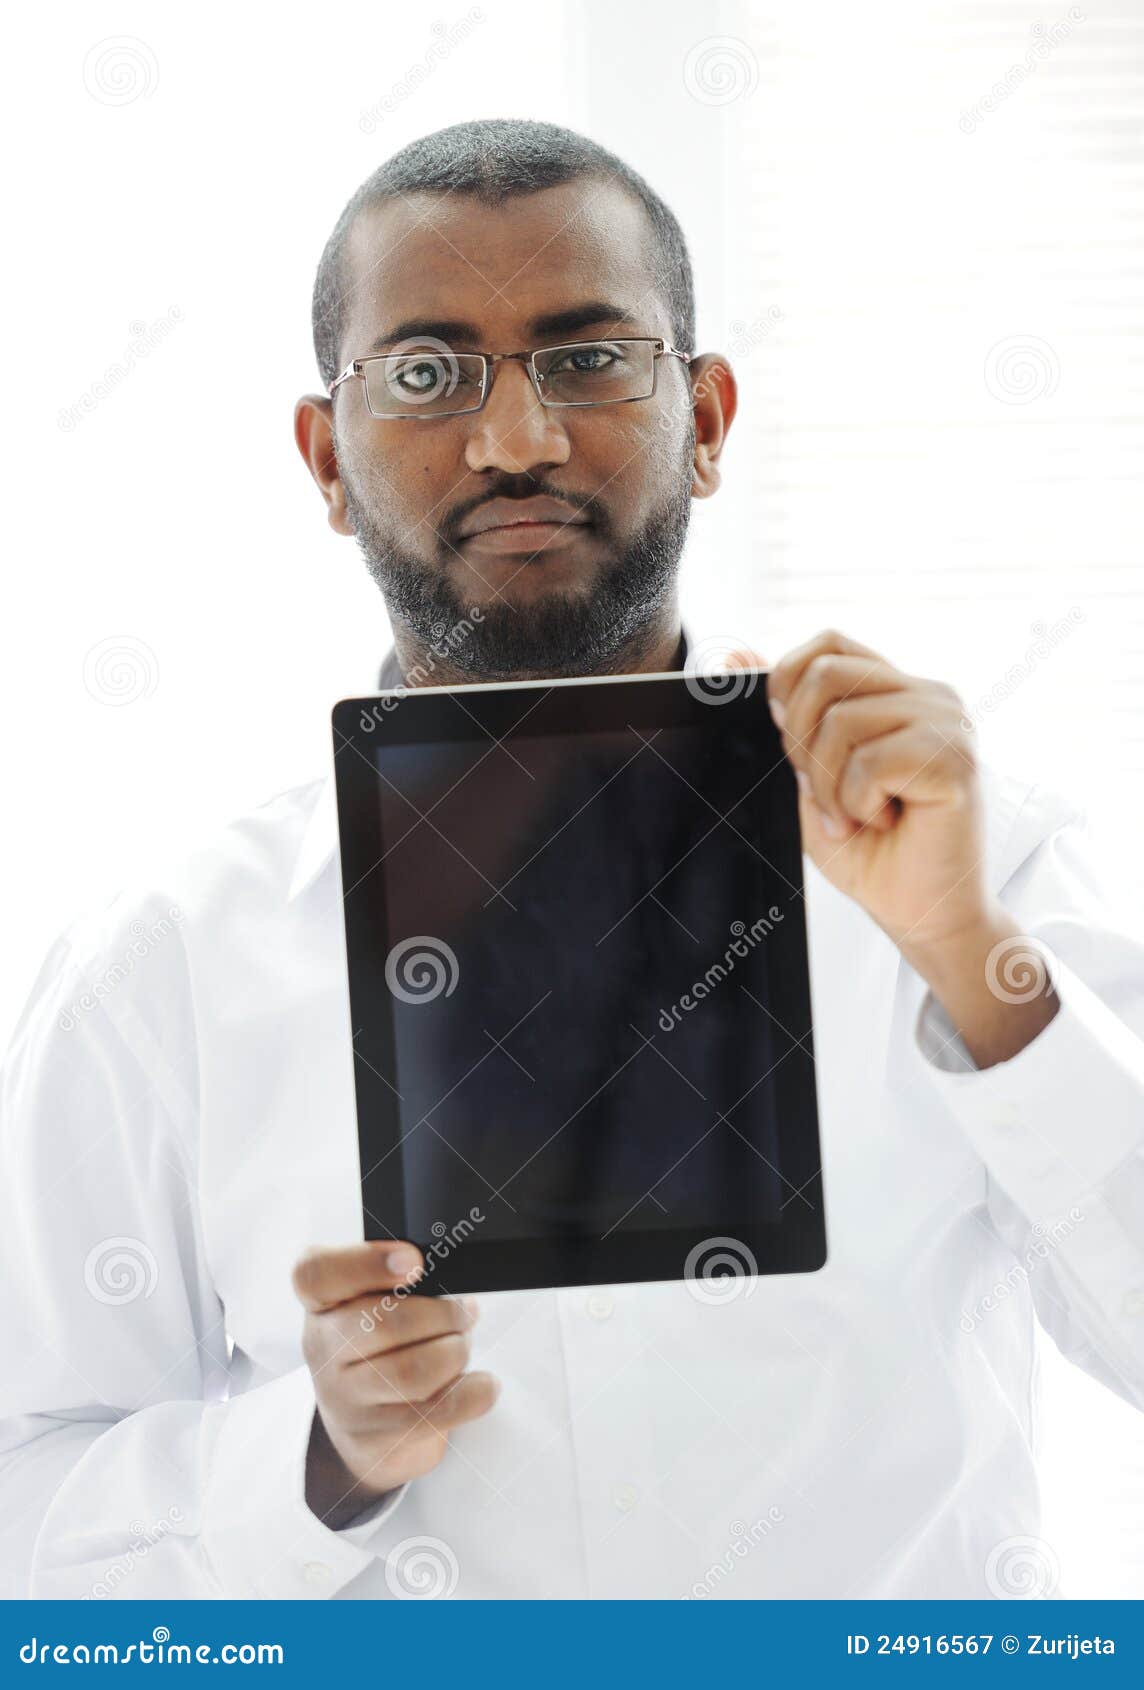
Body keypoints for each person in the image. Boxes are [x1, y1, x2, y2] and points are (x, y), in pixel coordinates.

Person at [1, 118, 1141, 1601]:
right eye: (425, 373)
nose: (519, 438)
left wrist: (979, 975)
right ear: (324, 458)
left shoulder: (979, 866)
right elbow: (30, 1506)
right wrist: (310, 1455)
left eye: (591, 358)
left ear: (711, 418)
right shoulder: (162, 968)